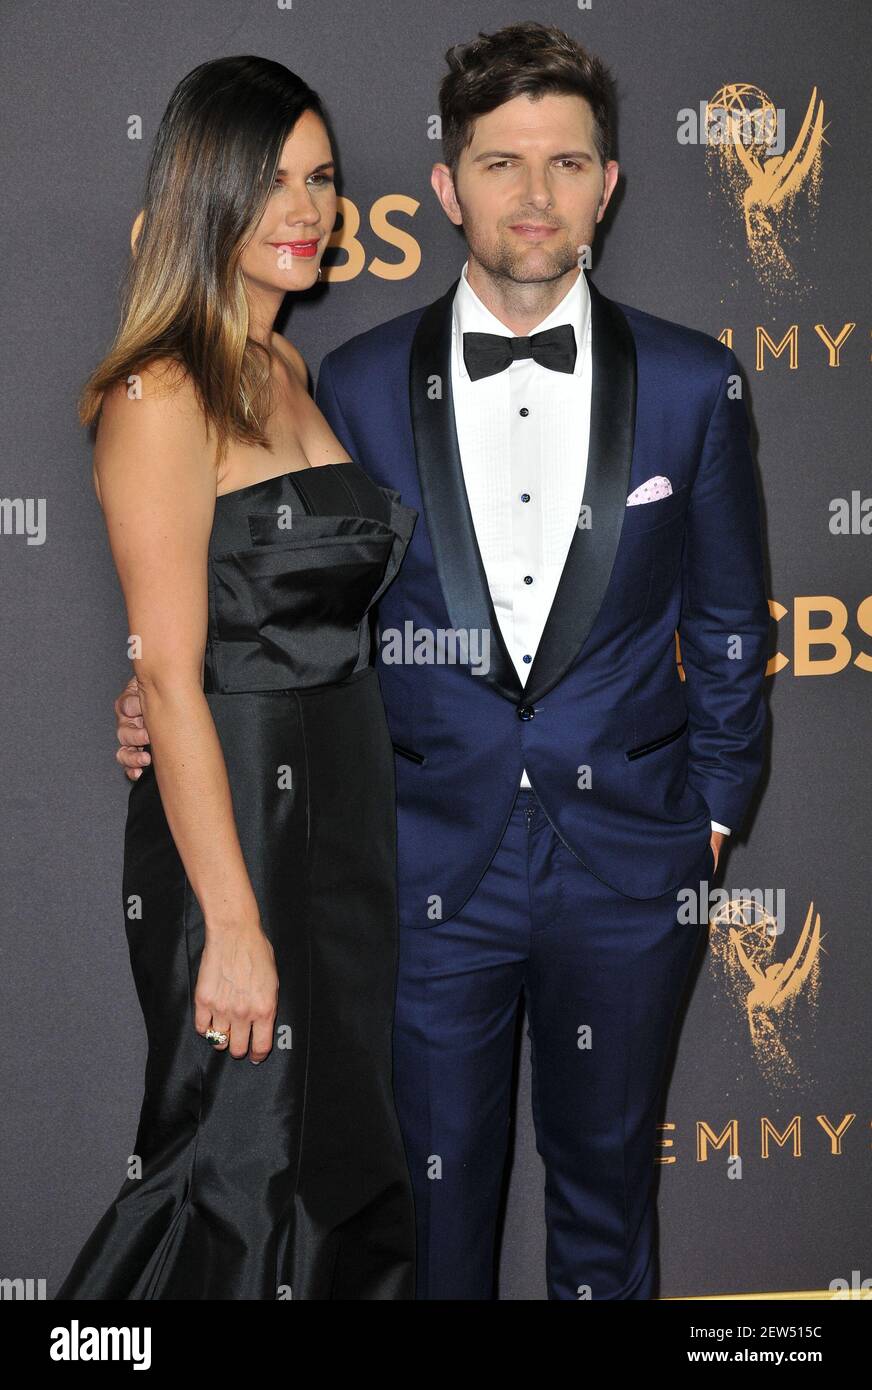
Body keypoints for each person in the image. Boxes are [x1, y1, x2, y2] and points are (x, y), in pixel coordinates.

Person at [115, 23, 770, 1299]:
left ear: (609, 185)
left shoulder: (697, 385)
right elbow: (275, 587)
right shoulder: (347, 383)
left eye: (567, 163)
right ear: (447, 187)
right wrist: (154, 686)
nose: (534, 195)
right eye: (501, 163)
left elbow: (733, 625)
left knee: (607, 1205)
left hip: (633, 866)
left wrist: (710, 820)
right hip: (413, 869)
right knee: (419, 1226)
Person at [57, 55, 417, 1301]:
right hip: (241, 840)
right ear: (206, 190)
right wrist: (234, 925)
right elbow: (169, 677)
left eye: (320, 179)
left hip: (344, 826)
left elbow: (261, 613)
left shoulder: (286, 370)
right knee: (228, 1158)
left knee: (335, 1163)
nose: (307, 206)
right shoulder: (160, 391)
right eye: (270, 181)